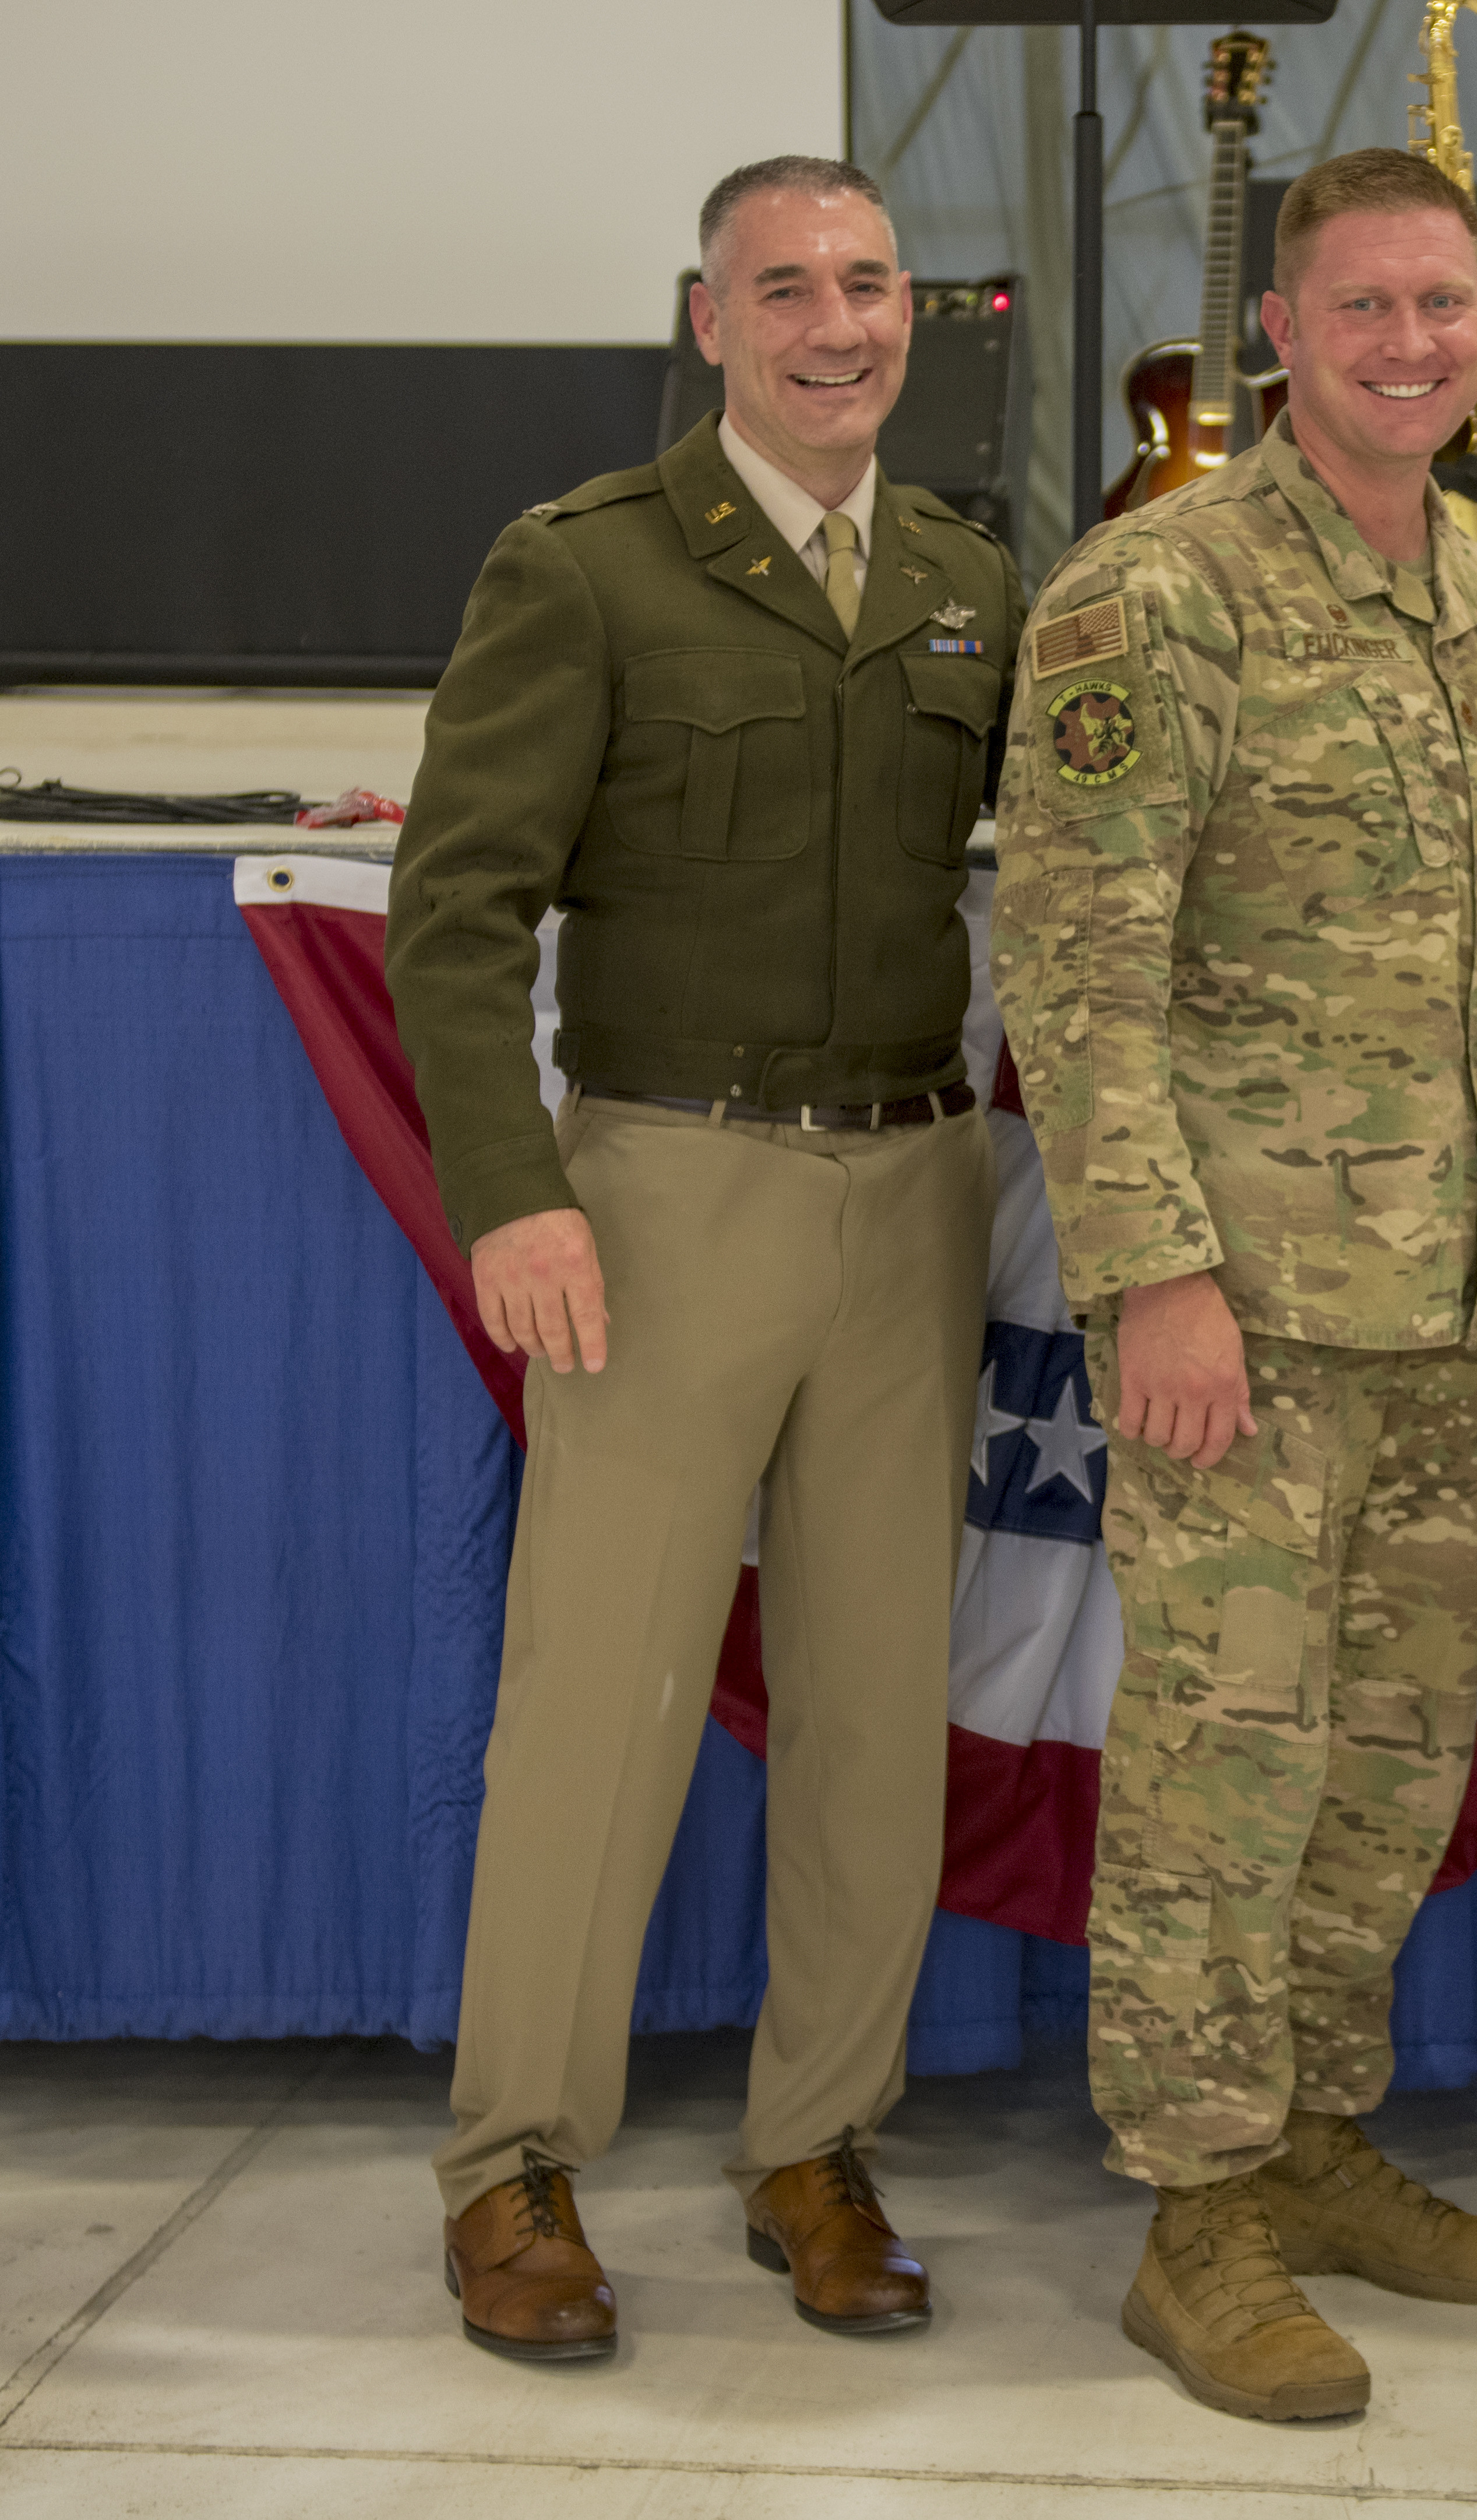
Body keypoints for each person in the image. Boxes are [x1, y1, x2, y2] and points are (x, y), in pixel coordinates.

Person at [384, 155, 1021, 2359]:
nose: (834, 321)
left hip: (916, 1192)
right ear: (711, 317)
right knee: (606, 1704)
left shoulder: (966, 577)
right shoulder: (588, 567)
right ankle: (514, 2165)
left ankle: (812, 2144)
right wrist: (511, 1187)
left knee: (871, 1714)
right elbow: (456, 909)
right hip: (666, 1187)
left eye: (867, 282)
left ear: (910, 313)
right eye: (787, 287)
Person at [989, 147, 1477, 2427]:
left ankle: (1317, 2133)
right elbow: (1075, 958)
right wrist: (1150, 1272)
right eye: (1365, 309)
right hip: (1243, 1306)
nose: (1412, 342)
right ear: (1278, 334)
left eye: (1443, 305)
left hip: (1440, 1309)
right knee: (1222, 1775)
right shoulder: (1159, 597)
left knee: (1387, 1765)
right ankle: (1197, 2215)